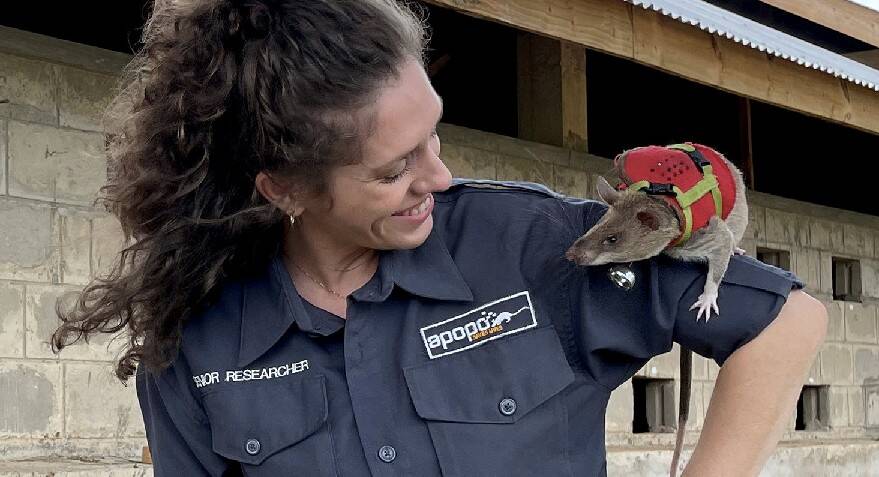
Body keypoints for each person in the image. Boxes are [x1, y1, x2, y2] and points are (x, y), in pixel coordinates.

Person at [51, 0, 828, 476]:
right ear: (283, 187)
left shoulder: (527, 245)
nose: (442, 177)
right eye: (394, 169)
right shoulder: (200, 340)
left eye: (433, 135)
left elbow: (786, 319)